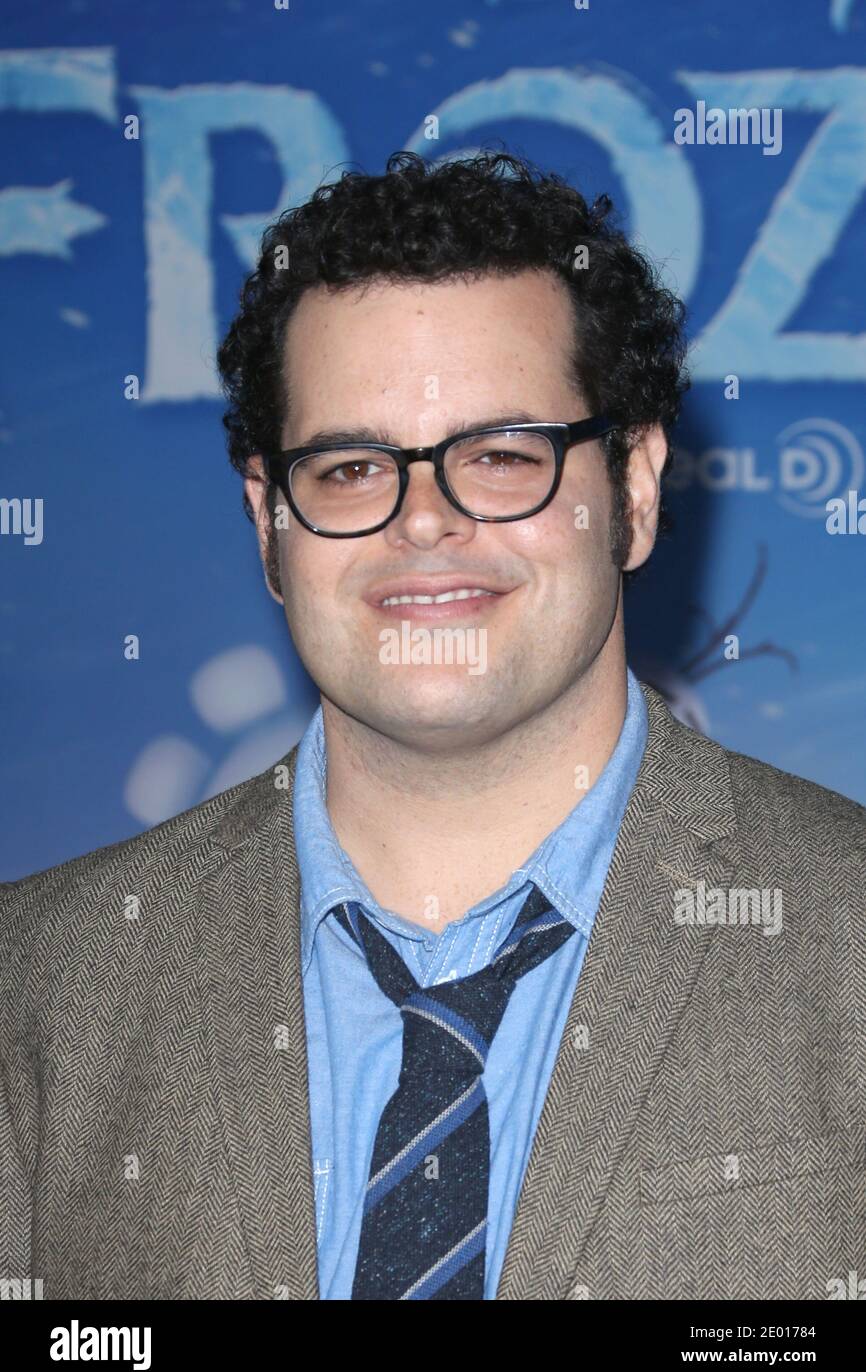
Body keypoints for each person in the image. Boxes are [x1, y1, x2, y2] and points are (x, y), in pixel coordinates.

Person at [2, 152, 863, 1301]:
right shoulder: (40, 988)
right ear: (269, 521)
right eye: (351, 467)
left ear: (635, 489)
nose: (422, 520)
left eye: (500, 456)